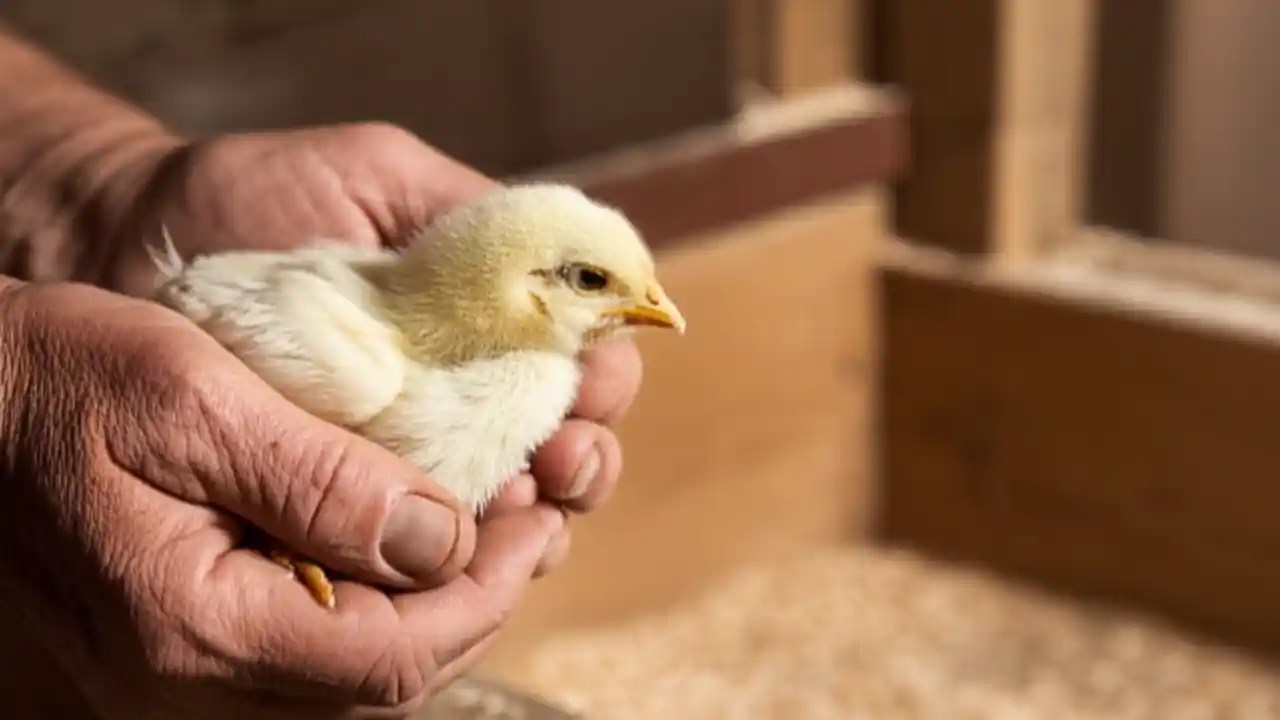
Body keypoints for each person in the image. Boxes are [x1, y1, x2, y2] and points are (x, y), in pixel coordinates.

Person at [0, 23, 640, 719]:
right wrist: (19, 396)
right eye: (590, 279)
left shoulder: (504, 364)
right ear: (526, 287)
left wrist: (100, 188)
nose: (651, 307)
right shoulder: (352, 366)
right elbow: (170, 311)